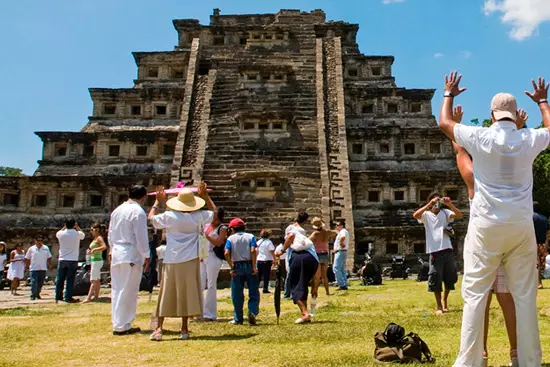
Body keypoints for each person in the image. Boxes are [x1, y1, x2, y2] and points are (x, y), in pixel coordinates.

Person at [440, 73, 550, 366]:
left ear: (491, 115)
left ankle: (472, 360)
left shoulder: (481, 136)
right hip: (520, 225)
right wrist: (542, 101)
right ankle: (527, 360)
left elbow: (445, 125)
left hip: (486, 224)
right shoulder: (528, 138)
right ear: (514, 116)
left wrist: (449, 94)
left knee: (475, 295)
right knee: (524, 295)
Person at [451, 105, 520, 366]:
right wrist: (519, 130)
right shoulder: (514, 180)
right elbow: (513, 153)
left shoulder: (475, 180)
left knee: (480, 301)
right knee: (508, 299)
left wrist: (456, 126)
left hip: (482, 244)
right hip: (510, 241)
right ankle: (515, 353)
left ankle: (480, 353)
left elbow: (460, 151)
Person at [148, 183, 215, 341]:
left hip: (172, 258)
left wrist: (158, 202)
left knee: (166, 292)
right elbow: (214, 212)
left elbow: (151, 218)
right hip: (191, 259)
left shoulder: (170, 217)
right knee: (187, 293)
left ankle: (159, 328)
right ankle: (184, 328)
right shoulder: (198, 216)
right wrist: (206, 196)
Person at [108, 185, 150, 336]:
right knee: (129, 290)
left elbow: (110, 234)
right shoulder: (138, 212)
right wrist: (146, 254)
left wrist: (111, 250)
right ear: (143, 197)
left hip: (118, 252)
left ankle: (119, 322)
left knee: (118, 289)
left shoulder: (117, 210)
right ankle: (123, 324)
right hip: (130, 252)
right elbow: (141, 236)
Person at [413, 192, 463, 314]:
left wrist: (450, 204)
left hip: (447, 248)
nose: (436, 205)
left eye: (437, 203)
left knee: (450, 277)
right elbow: (415, 215)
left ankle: (444, 299)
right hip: (434, 251)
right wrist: (428, 205)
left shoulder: (445, 213)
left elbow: (459, 215)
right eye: (434, 203)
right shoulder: (426, 215)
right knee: (435, 277)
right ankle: (439, 306)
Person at [281, 211, 319, 324]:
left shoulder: (291, 230)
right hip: (313, 259)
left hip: (299, 258)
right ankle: (306, 312)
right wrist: (315, 286)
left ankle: (304, 314)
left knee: (296, 286)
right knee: (303, 285)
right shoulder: (303, 235)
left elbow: (291, 236)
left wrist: (282, 250)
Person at [225, 217, 259, 325]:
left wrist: (231, 267)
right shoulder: (251, 237)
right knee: (253, 291)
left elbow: (226, 253)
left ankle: (238, 318)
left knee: (237, 293)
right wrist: (254, 266)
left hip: (237, 265)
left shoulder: (231, 239)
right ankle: (252, 311)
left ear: (232, 229)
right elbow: (253, 251)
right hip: (249, 264)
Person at [200, 207, 227, 321]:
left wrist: (207, 236)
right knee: (200, 283)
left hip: (213, 256)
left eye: (215, 215)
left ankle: (209, 313)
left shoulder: (222, 228)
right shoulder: (206, 225)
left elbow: (219, 242)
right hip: (203, 256)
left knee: (211, 284)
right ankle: (198, 310)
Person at [55, 219, 85, 303]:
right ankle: (68, 296)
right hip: (72, 259)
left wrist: (64, 227)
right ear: (73, 225)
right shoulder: (77, 234)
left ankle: (58, 296)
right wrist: (77, 227)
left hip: (62, 258)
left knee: (60, 279)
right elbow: (83, 235)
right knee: (70, 279)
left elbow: (59, 232)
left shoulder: (61, 234)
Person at [309, 217, 338, 299]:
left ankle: (315, 292)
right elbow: (335, 232)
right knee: (324, 275)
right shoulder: (327, 232)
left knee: (316, 276)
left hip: (317, 255)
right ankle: (327, 292)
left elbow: (307, 241)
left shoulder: (315, 234)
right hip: (325, 254)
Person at [83, 223, 107, 303]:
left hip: (97, 260)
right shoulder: (96, 238)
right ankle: (96, 296)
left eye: (92, 230)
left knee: (93, 280)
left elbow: (104, 247)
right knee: (97, 279)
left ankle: (88, 298)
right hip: (95, 260)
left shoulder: (99, 238)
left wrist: (95, 250)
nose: (91, 231)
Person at [533, 201, 549, 289]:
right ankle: (539, 282)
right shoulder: (544, 218)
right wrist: (546, 244)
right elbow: (548, 233)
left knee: (532, 264)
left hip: (532, 243)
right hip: (542, 244)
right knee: (539, 264)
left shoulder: (530, 217)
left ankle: (535, 283)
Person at [333, 220, 351, 291]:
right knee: (341, 269)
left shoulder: (343, 231)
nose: (336, 227)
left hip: (340, 251)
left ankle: (341, 284)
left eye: (337, 225)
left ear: (341, 226)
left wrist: (341, 243)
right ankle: (344, 283)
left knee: (336, 268)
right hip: (342, 251)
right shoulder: (342, 231)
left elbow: (343, 237)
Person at [256, 229, 275, 294]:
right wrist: (274, 259)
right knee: (266, 275)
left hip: (259, 260)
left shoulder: (258, 242)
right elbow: (271, 251)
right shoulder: (269, 242)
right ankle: (265, 288)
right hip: (266, 260)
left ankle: (256, 287)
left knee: (258, 275)